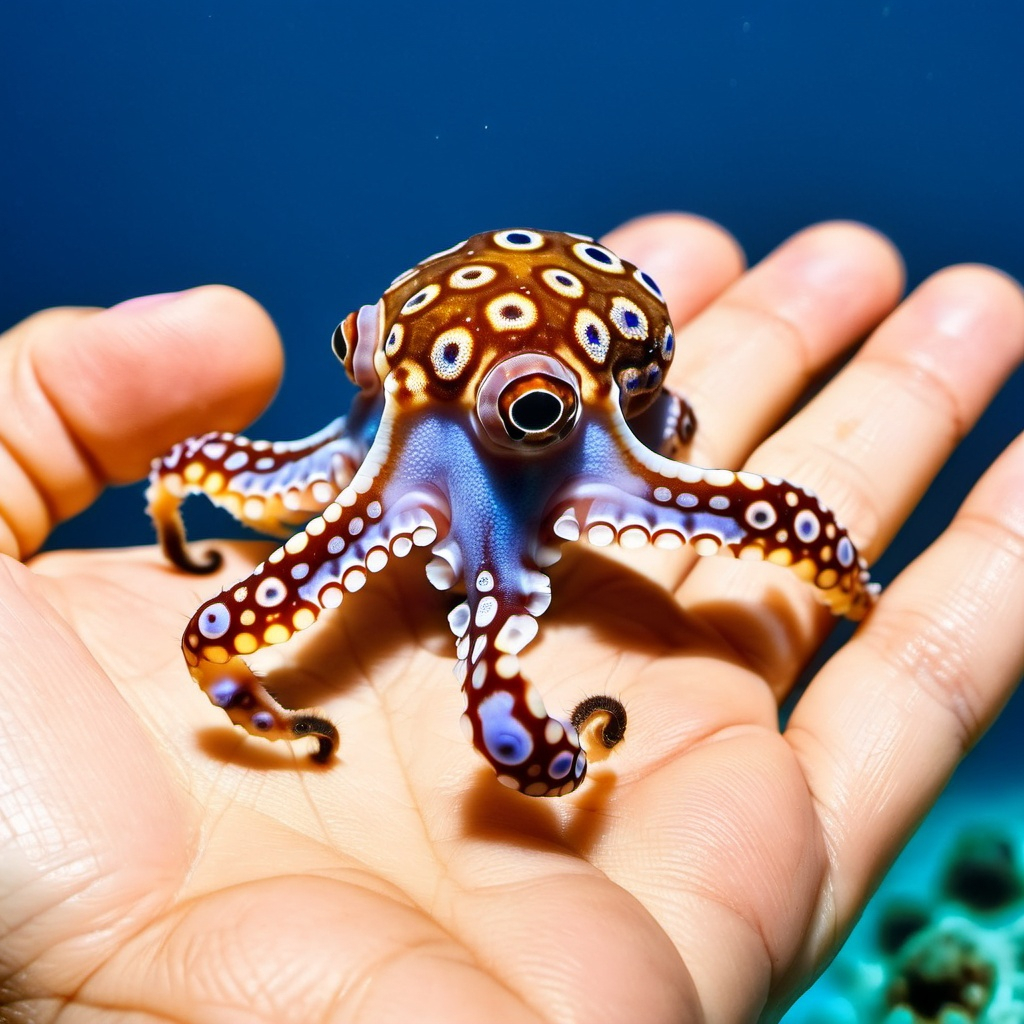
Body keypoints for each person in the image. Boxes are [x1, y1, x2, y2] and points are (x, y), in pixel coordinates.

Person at [1, 213, 1021, 1023]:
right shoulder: (399, 422)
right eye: (364, 350)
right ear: (374, 360)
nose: (420, 472)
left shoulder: (615, 414)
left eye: (530, 410)